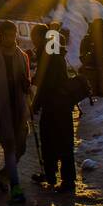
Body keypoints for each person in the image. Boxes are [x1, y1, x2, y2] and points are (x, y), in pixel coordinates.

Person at [0, 19, 32, 204]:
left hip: (17, 107)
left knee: (21, 147)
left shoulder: (22, 56)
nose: (10, 38)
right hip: (0, 107)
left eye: (13, 35)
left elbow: (26, 79)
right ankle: (16, 187)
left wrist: (27, 85)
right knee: (10, 146)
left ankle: (4, 174)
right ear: (0, 35)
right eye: (7, 35)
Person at [31, 29, 78, 194]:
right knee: (60, 141)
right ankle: (55, 176)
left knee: (52, 141)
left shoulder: (48, 54)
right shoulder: (55, 53)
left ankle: (64, 180)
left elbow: (47, 83)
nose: (32, 40)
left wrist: (35, 104)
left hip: (54, 105)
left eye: (34, 36)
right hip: (62, 105)